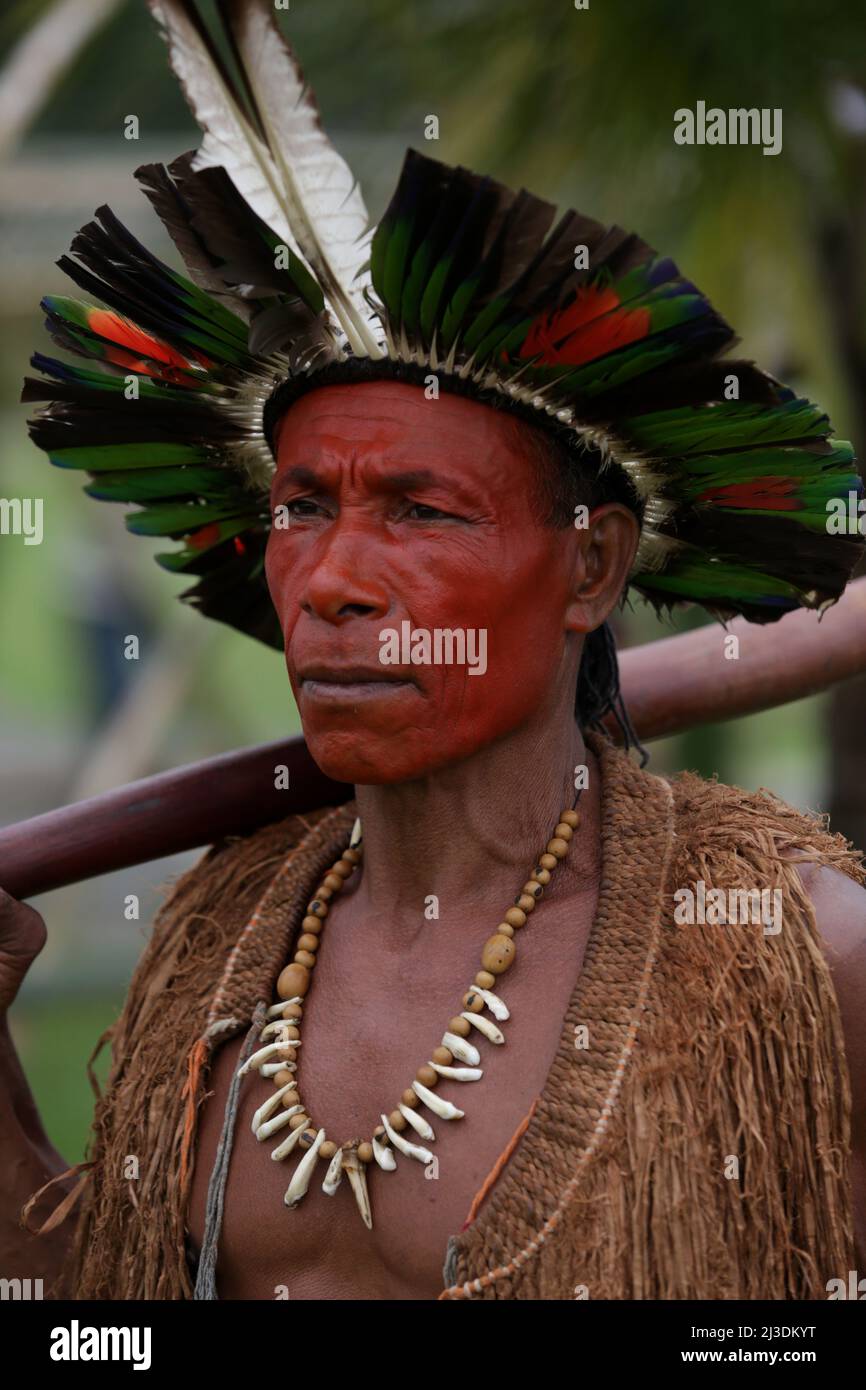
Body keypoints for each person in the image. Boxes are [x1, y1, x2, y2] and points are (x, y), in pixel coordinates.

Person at [3, 0, 866, 1300]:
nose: (335, 581)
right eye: (302, 508)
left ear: (589, 565)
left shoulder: (795, 964)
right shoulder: (214, 950)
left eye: (420, 508)